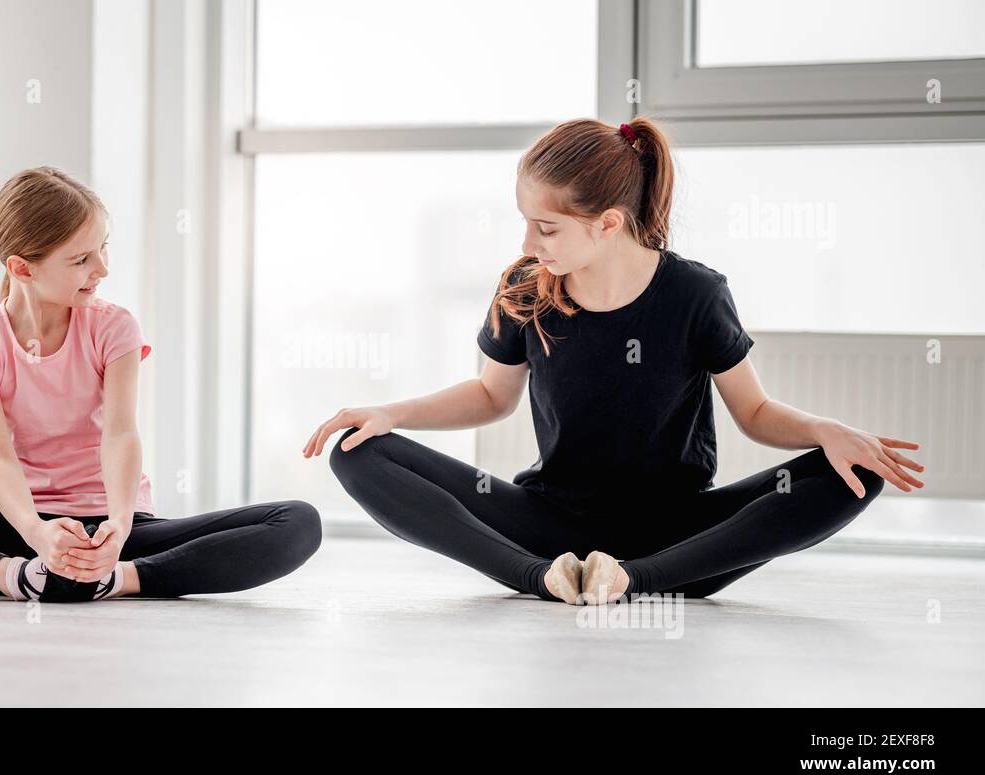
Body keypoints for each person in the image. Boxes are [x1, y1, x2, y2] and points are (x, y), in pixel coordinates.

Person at [306, 118, 924, 605]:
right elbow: (490, 397)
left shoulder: (696, 294)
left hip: (679, 538)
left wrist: (824, 430)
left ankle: (635, 579)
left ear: (606, 223)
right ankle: (537, 578)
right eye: (525, 224)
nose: (528, 243)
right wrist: (390, 411)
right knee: (360, 449)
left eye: (545, 228)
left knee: (856, 470)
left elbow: (755, 413)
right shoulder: (525, 288)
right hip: (548, 528)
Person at [0, 166, 321, 602]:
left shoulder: (114, 327)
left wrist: (118, 527)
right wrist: (36, 533)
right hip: (23, 529)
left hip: (120, 530)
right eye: (81, 259)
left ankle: (117, 580)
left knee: (299, 522)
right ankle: (7, 575)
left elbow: (121, 434)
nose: (103, 269)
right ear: (22, 268)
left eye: (103, 247)